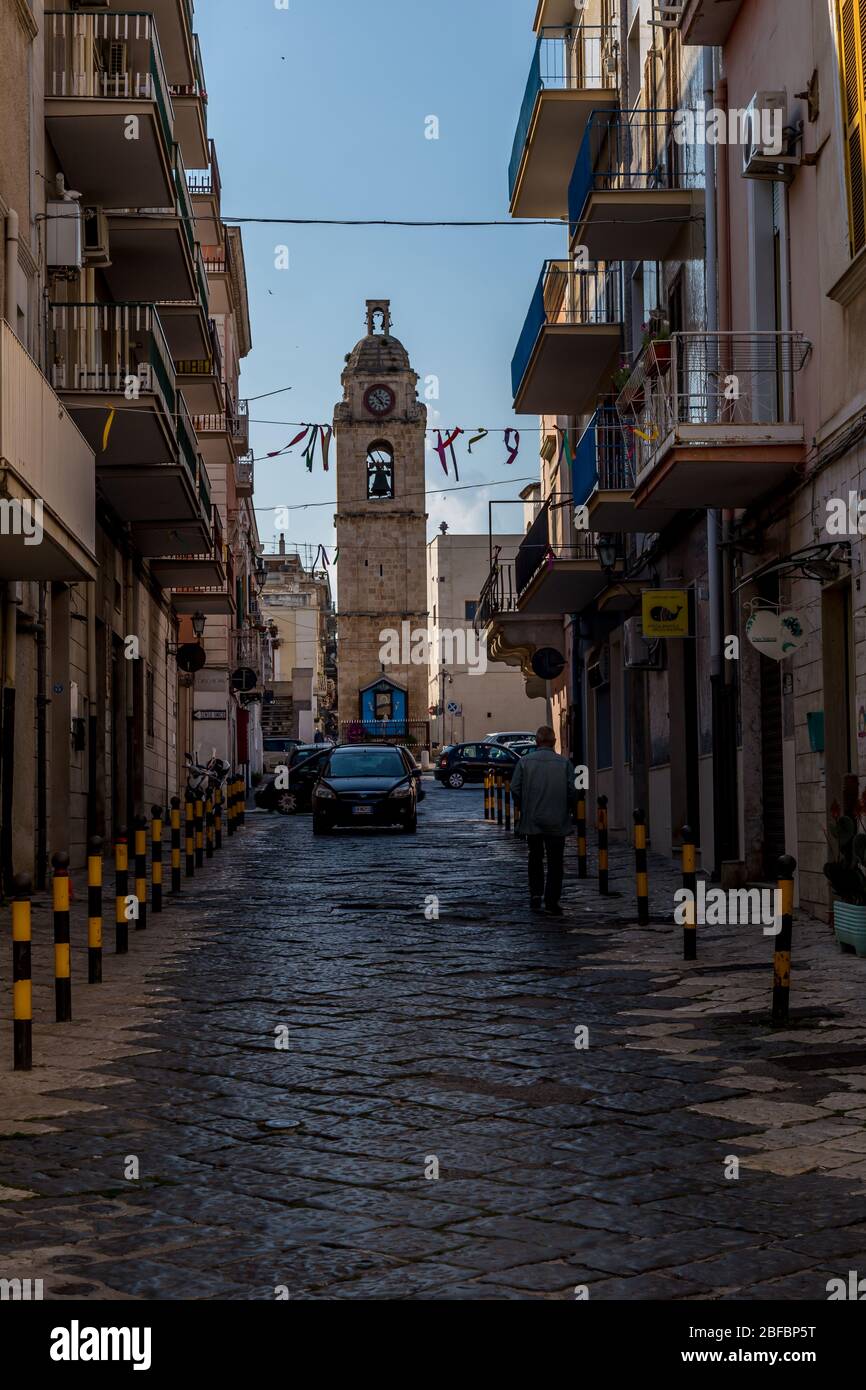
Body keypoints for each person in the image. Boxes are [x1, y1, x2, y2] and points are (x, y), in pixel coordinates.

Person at [510, 726, 576, 916]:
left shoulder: (525, 762)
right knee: (556, 862)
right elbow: (573, 791)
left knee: (535, 857)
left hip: (533, 820)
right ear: (554, 742)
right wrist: (569, 808)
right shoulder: (564, 764)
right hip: (557, 820)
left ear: (537, 742)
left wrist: (523, 807)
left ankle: (535, 894)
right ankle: (552, 899)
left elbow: (515, 788)